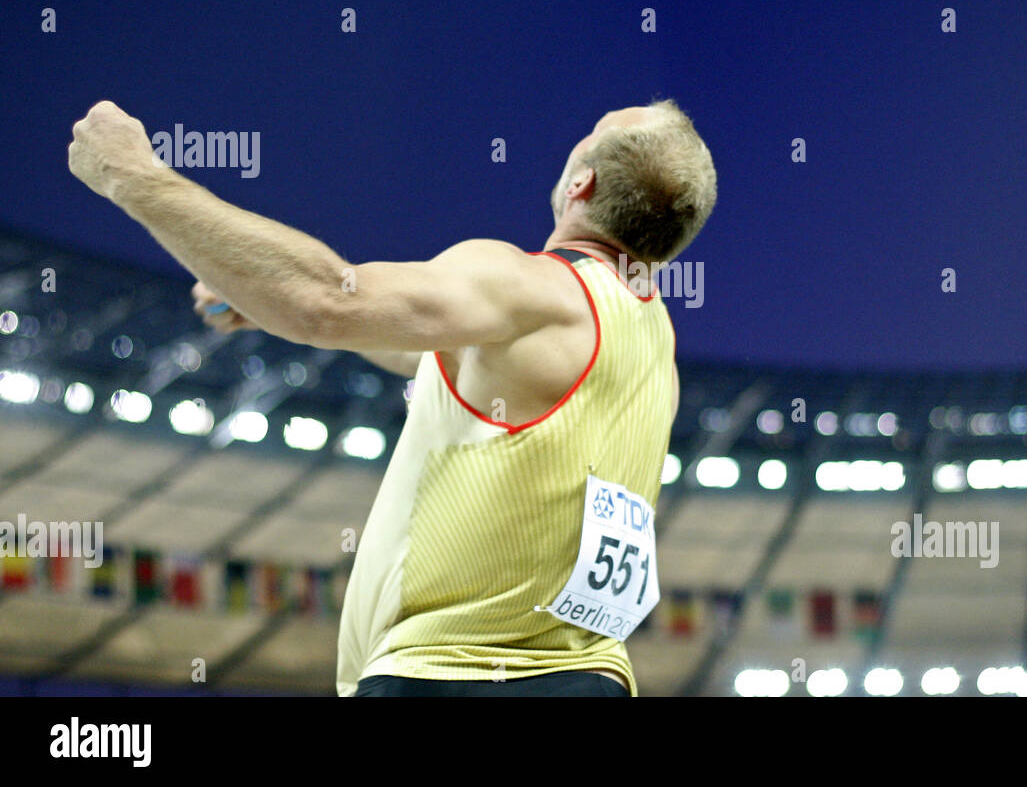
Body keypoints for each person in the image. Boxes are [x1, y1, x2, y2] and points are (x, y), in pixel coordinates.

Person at [67, 98, 717, 696]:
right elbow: (423, 351)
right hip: (592, 677)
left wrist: (132, 175)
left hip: (453, 678)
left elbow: (326, 300)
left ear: (582, 184)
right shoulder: (649, 336)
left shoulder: (531, 289)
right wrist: (265, 300)